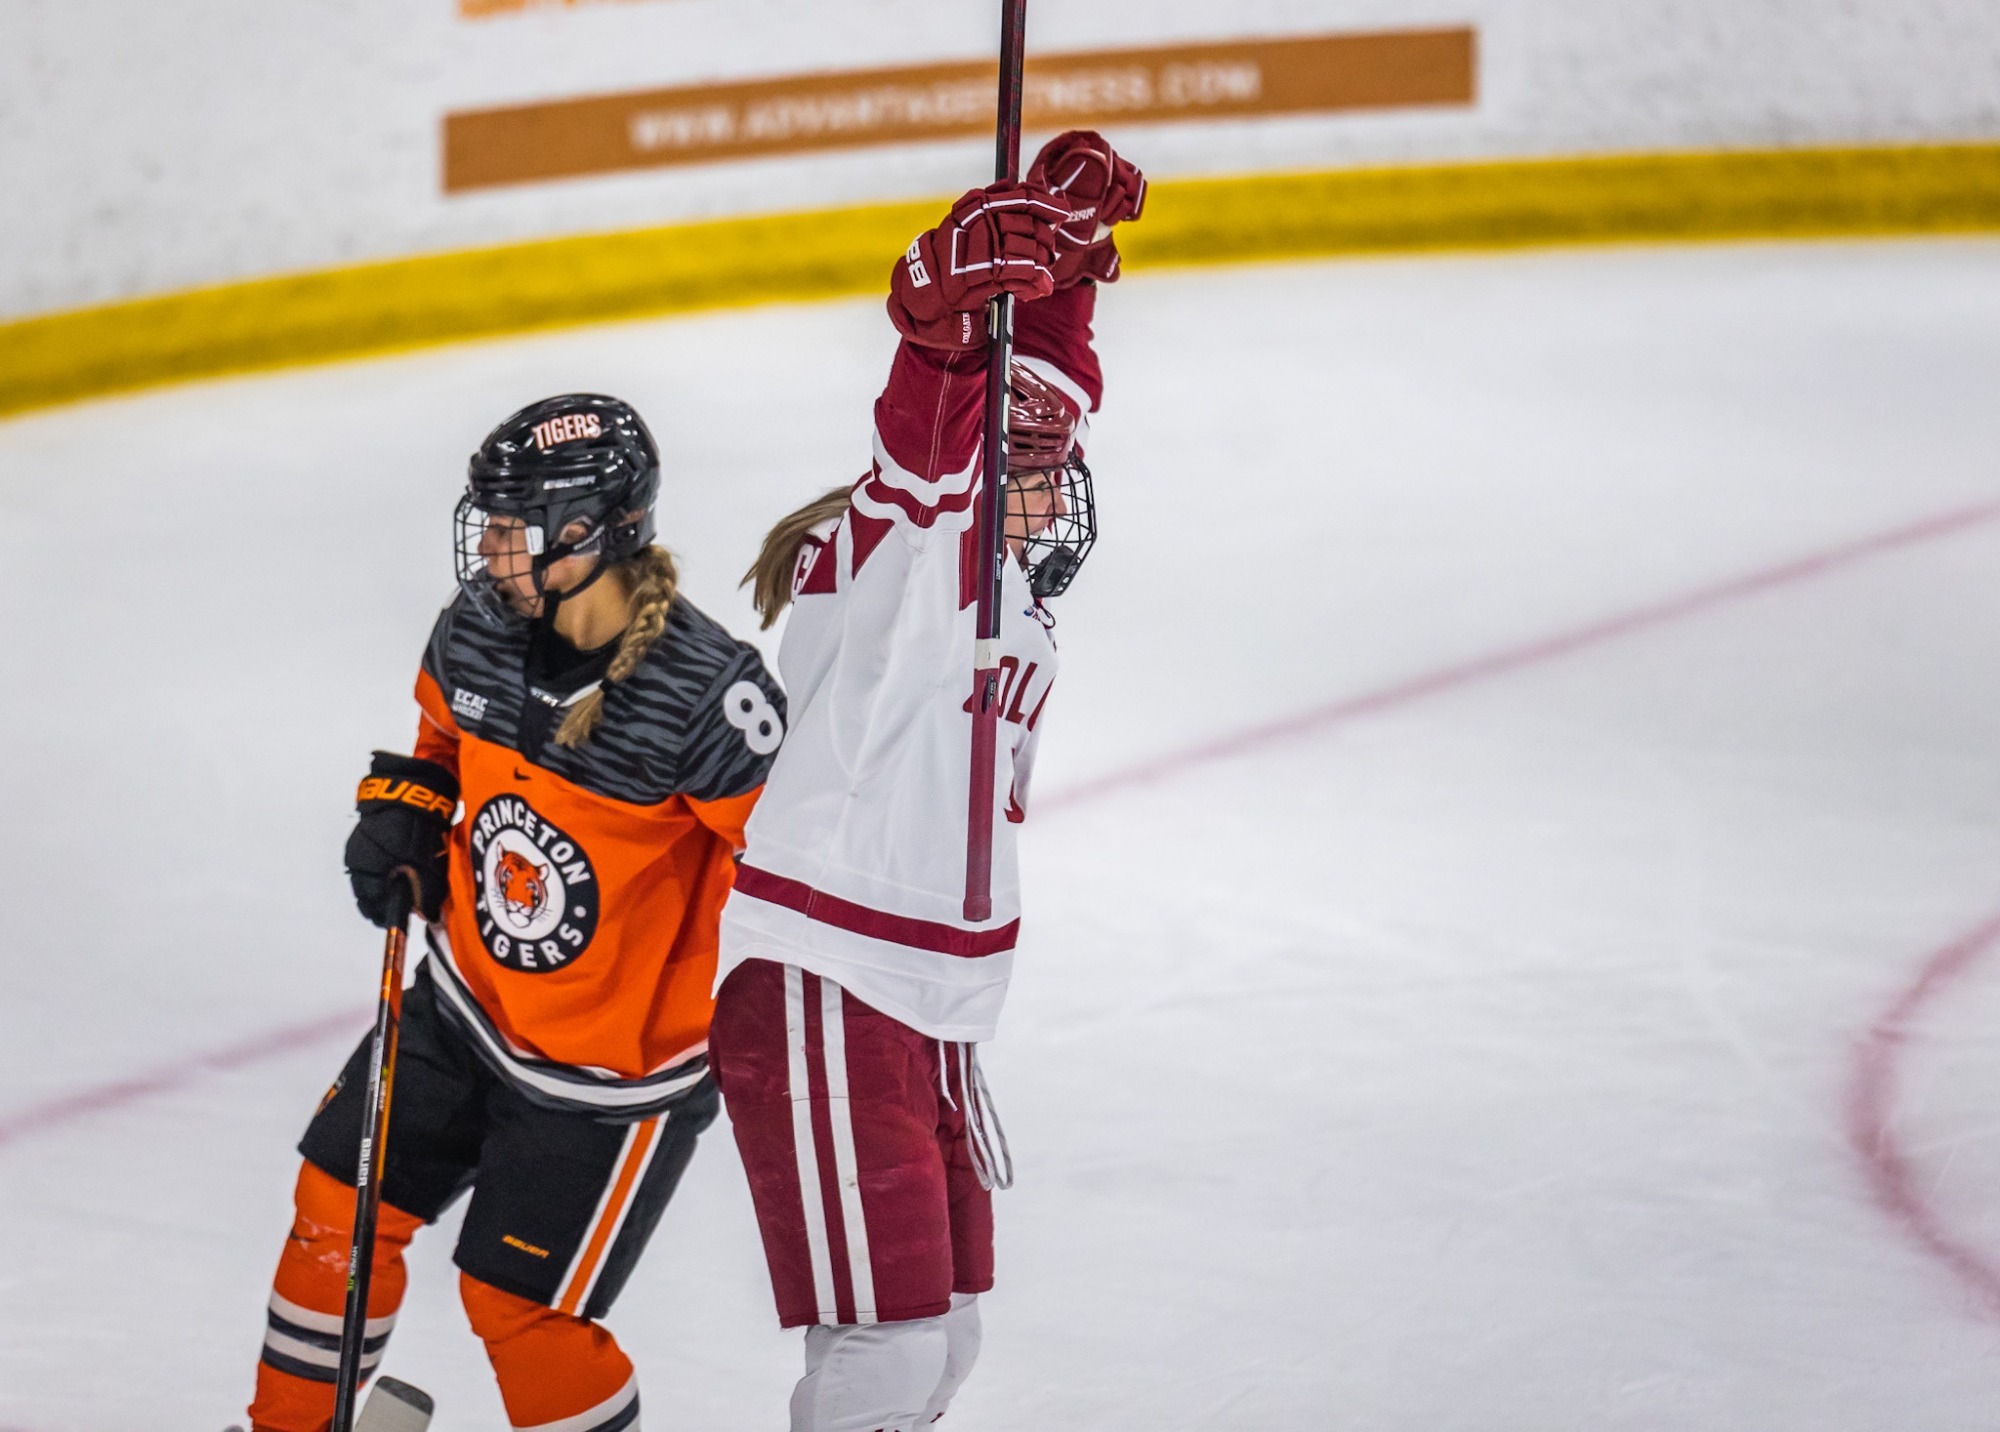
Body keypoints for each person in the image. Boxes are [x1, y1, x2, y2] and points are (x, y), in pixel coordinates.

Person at [709, 130, 1146, 1431]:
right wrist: (941, 320)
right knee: (884, 1356)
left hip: (931, 1007)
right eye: (1024, 457)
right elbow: (929, 438)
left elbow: (1028, 397)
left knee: (943, 1348)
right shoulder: (902, 541)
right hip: (830, 978)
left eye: (1055, 460)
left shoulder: (1015, 590)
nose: (1045, 479)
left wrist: (1056, 285)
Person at [243, 394, 786, 1432]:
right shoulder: (482, 629)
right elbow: (439, 743)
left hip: (604, 1079)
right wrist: (402, 813)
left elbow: (785, 869)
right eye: (488, 522)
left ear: (590, 534)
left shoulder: (708, 699)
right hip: (460, 1005)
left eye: (513, 527)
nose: (488, 548)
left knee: (518, 1309)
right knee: (336, 1214)